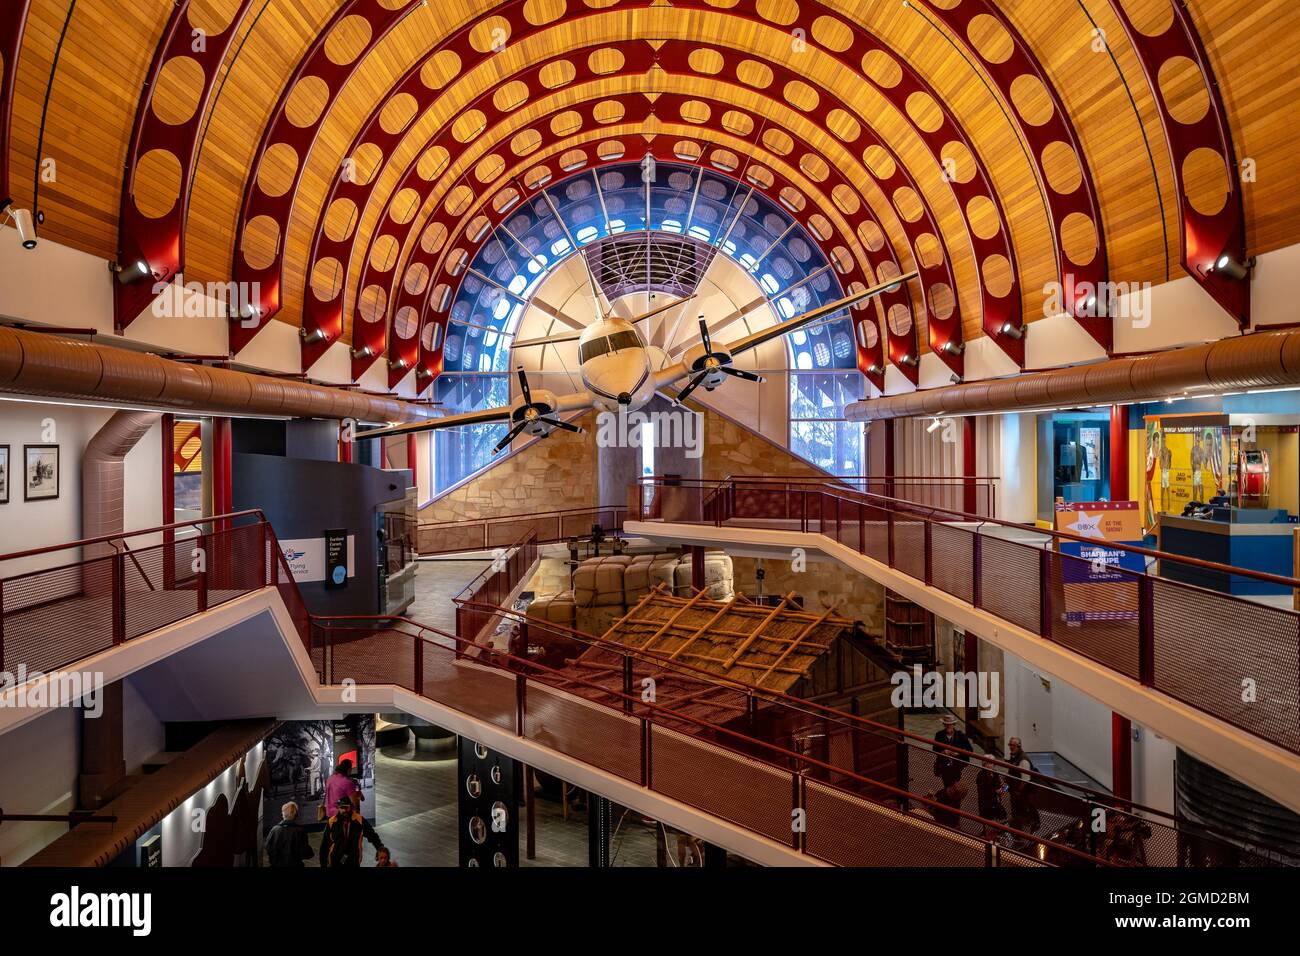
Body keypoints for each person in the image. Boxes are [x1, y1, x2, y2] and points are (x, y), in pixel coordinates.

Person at [319, 792, 385, 867]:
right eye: (342, 808)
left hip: (353, 861)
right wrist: (323, 864)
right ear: (338, 808)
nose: (344, 810)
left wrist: (380, 848)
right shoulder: (332, 822)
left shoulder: (359, 820)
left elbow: (372, 835)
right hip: (335, 861)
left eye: (346, 807)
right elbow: (324, 844)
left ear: (350, 807)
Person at [1005, 737, 1040, 835]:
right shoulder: (1014, 756)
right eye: (1010, 745)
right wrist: (1006, 787)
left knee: (1021, 812)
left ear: (1018, 746)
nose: (1011, 747)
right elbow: (1010, 774)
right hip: (1015, 791)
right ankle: (1017, 832)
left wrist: (1018, 792)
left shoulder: (1023, 760)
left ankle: (1023, 833)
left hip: (1022, 793)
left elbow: (1025, 779)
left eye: (1013, 745)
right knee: (1016, 812)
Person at [265, 801, 313, 867]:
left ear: (283, 814)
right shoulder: (300, 831)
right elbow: (305, 853)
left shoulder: (274, 830)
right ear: (296, 815)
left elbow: (268, 848)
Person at [931, 714, 973, 788]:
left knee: (955, 783)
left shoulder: (961, 735)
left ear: (954, 724)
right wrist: (943, 752)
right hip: (944, 765)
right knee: (946, 783)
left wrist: (958, 753)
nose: (948, 726)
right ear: (944, 724)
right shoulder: (939, 735)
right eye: (947, 724)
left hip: (957, 765)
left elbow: (970, 750)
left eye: (950, 724)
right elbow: (934, 749)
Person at [974, 755, 1008, 840]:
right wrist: (995, 791)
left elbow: (999, 785)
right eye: (988, 763)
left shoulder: (995, 773)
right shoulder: (981, 775)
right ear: (984, 764)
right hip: (986, 803)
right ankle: (987, 838)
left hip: (995, 802)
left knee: (1001, 818)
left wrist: (1002, 789)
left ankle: (994, 836)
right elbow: (982, 791)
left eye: (992, 763)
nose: (991, 765)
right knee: (988, 822)